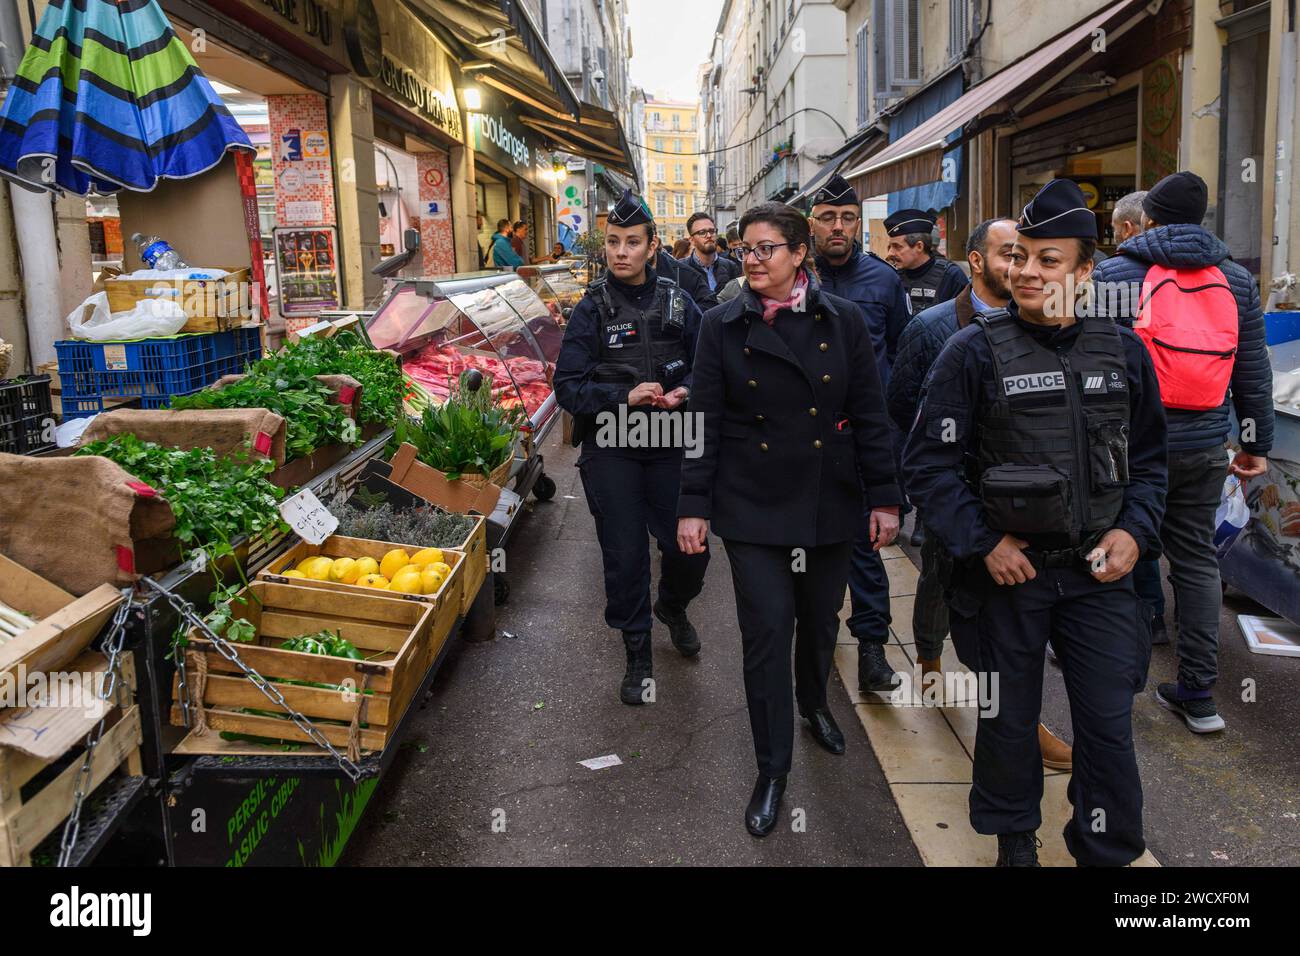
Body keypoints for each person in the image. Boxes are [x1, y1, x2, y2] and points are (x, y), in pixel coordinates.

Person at [903, 178, 1168, 866]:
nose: (1024, 271)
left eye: (1047, 260)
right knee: (1007, 719)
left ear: (1086, 272)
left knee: (1108, 729)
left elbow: (1152, 464)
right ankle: (1014, 839)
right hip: (1006, 580)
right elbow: (928, 466)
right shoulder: (971, 352)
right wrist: (983, 542)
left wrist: (1133, 532)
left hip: (1099, 578)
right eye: (1019, 255)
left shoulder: (1123, 351)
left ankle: (1104, 848)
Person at [677, 202, 901, 838]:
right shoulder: (722, 324)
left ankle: (814, 703)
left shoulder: (845, 319)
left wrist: (884, 497)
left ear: (799, 254)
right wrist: (693, 505)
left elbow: (869, 411)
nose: (751, 258)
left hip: (829, 501)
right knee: (768, 632)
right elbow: (704, 423)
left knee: (820, 618)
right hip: (752, 507)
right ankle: (771, 768)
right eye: (745, 248)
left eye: (766, 248)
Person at [888, 217, 1074, 771]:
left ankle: (1020, 723)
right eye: (1008, 255)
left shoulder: (1055, 329)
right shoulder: (933, 328)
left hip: (1032, 506)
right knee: (939, 578)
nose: (1019, 267)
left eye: (1030, 256)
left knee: (1014, 620)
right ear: (977, 261)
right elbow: (901, 406)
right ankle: (926, 656)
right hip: (958, 496)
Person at [1093, 171, 1273, 734]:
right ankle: (1198, 695)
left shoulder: (1116, 274)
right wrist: (1254, 443)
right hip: (1202, 444)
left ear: (1148, 219)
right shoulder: (1237, 280)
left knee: (1116, 551)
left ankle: (1115, 682)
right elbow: (1253, 371)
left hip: (1127, 446)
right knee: (1195, 561)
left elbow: (1088, 363)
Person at [554, 189, 710, 706]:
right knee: (624, 556)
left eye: (632, 242)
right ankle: (637, 651)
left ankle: (674, 604)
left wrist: (686, 388)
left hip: (670, 442)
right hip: (613, 446)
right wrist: (623, 395)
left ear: (652, 246)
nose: (621, 251)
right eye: (614, 242)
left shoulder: (679, 302)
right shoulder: (590, 309)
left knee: (689, 548)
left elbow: (707, 368)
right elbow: (568, 387)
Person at [807, 175, 914, 695]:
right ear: (811, 223)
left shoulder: (883, 281)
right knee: (806, 542)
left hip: (865, 438)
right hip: (802, 440)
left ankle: (872, 646)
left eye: (848, 218)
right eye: (828, 217)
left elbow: (901, 353)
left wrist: (890, 429)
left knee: (865, 543)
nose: (839, 227)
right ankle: (814, 640)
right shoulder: (793, 279)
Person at [1102, 191, 1166, 641]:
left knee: (1125, 515)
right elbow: (1251, 364)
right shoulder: (1224, 275)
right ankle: (1197, 671)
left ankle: (1145, 619)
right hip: (1199, 422)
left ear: (1129, 227)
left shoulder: (1110, 273)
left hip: (1124, 421)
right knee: (1196, 550)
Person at [884, 208, 969, 317]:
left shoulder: (951, 277)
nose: (890, 253)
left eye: (897, 247)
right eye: (890, 247)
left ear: (919, 246)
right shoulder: (891, 275)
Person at [680, 212, 742, 294]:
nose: (709, 235)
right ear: (692, 240)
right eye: (702, 232)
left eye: (712, 231)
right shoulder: (681, 269)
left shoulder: (731, 267)